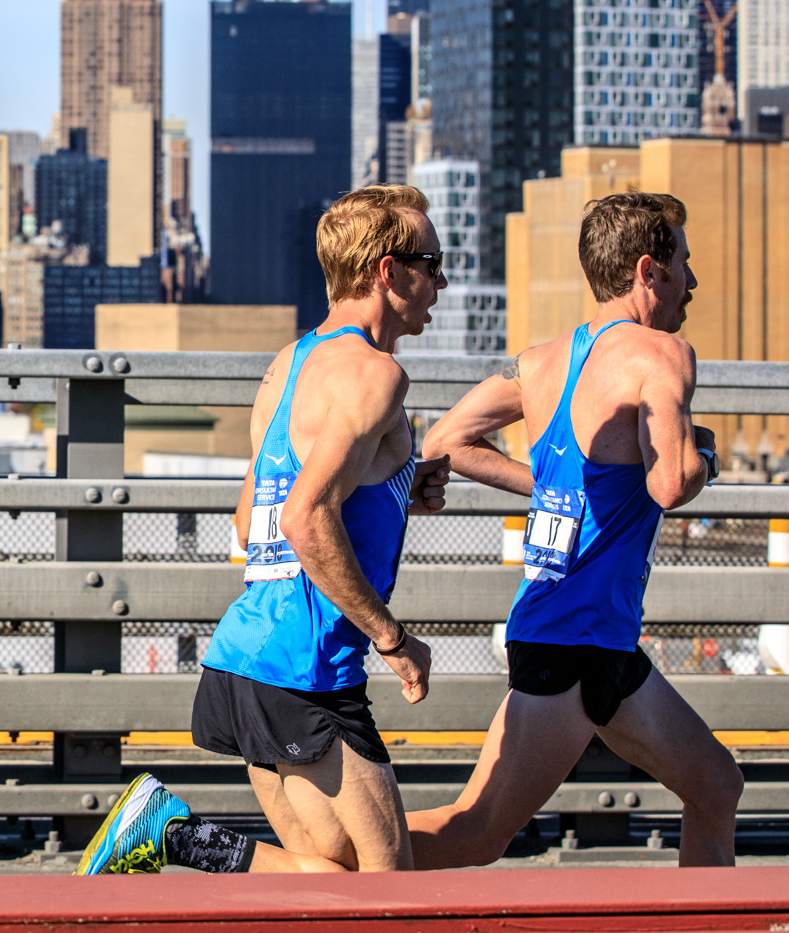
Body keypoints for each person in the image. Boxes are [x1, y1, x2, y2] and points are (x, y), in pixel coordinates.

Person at [77, 185, 450, 876]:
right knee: (387, 883)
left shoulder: (289, 364)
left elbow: (253, 518)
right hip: (309, 668)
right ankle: (169, 833)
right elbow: (304, 518)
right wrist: (392, 638)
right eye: (432, 262)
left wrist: (398, 487)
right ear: (388, 271)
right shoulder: (376, 375)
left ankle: (170, 833)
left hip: (247, 653)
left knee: (328, 872)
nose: (441, 281)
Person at [406, 191, 742, 867]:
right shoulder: (664, 353)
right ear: (649, 270)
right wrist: (704, 456)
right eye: (684, 262)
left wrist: (551, 484)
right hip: (572, 644)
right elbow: (670, 483)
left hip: (599, 644)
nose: (694, 280)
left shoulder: (542, 360)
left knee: (716, 785)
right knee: (474, 834)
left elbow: (446, 437)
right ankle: (276, 861)